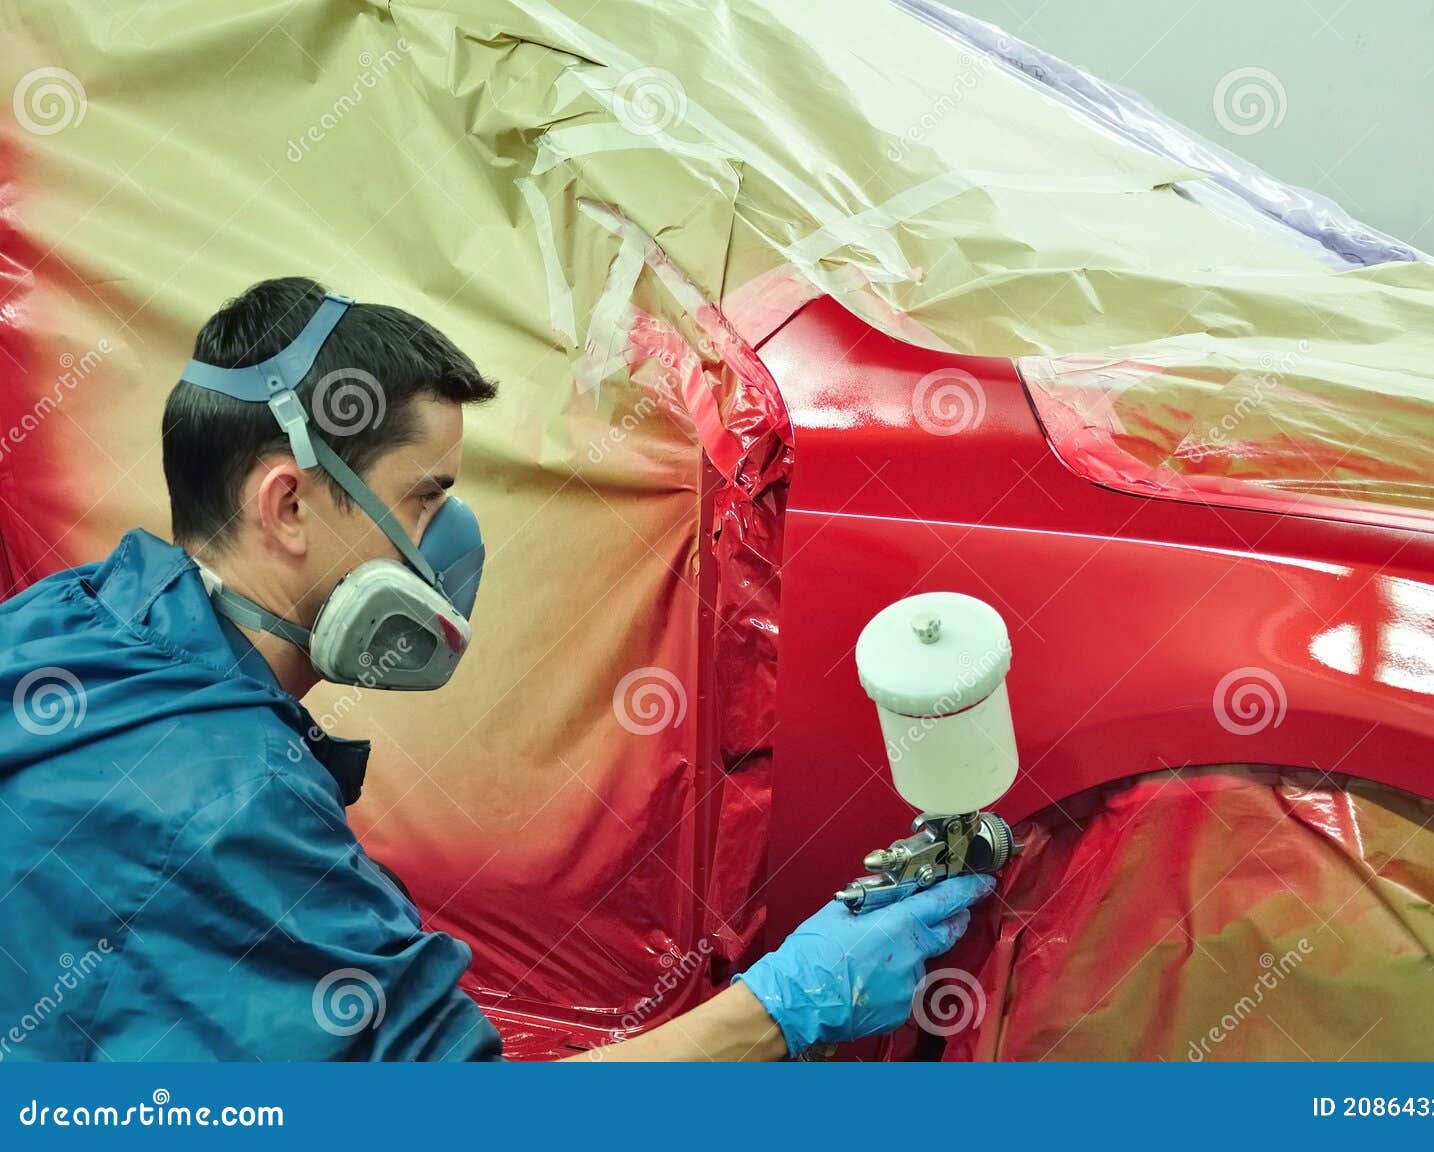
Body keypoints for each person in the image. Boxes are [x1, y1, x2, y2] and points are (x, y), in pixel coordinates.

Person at [0, 277, 992, 1061]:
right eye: (426, 500)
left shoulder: (61, 626)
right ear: (288, 505)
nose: (449, 550)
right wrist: (776, 1011)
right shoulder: (233, 808)